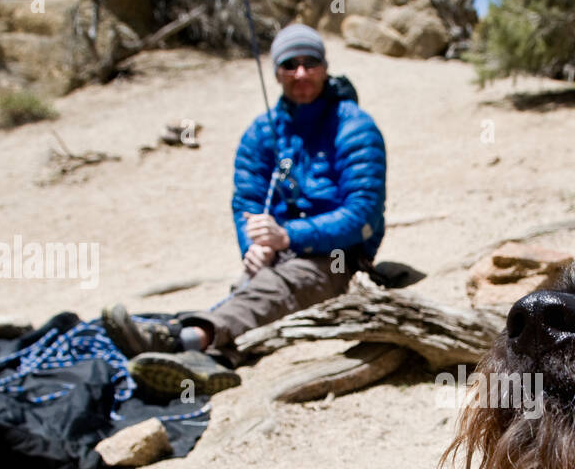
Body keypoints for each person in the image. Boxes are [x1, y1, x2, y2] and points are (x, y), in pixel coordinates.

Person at [103, 24, 387, 397]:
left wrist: (289, 236)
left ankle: (185, 338)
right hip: (281, 252)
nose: (300, 73)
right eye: (290, 64)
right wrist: (252, 246)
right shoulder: (262, 132)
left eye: (310, 63)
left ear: (325, 66)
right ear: (276, 72)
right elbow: (247, 202)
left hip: (340, 256)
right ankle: (211, 359)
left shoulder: (354, 126)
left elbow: (362, 214)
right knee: (251, 289)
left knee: (278, 287)